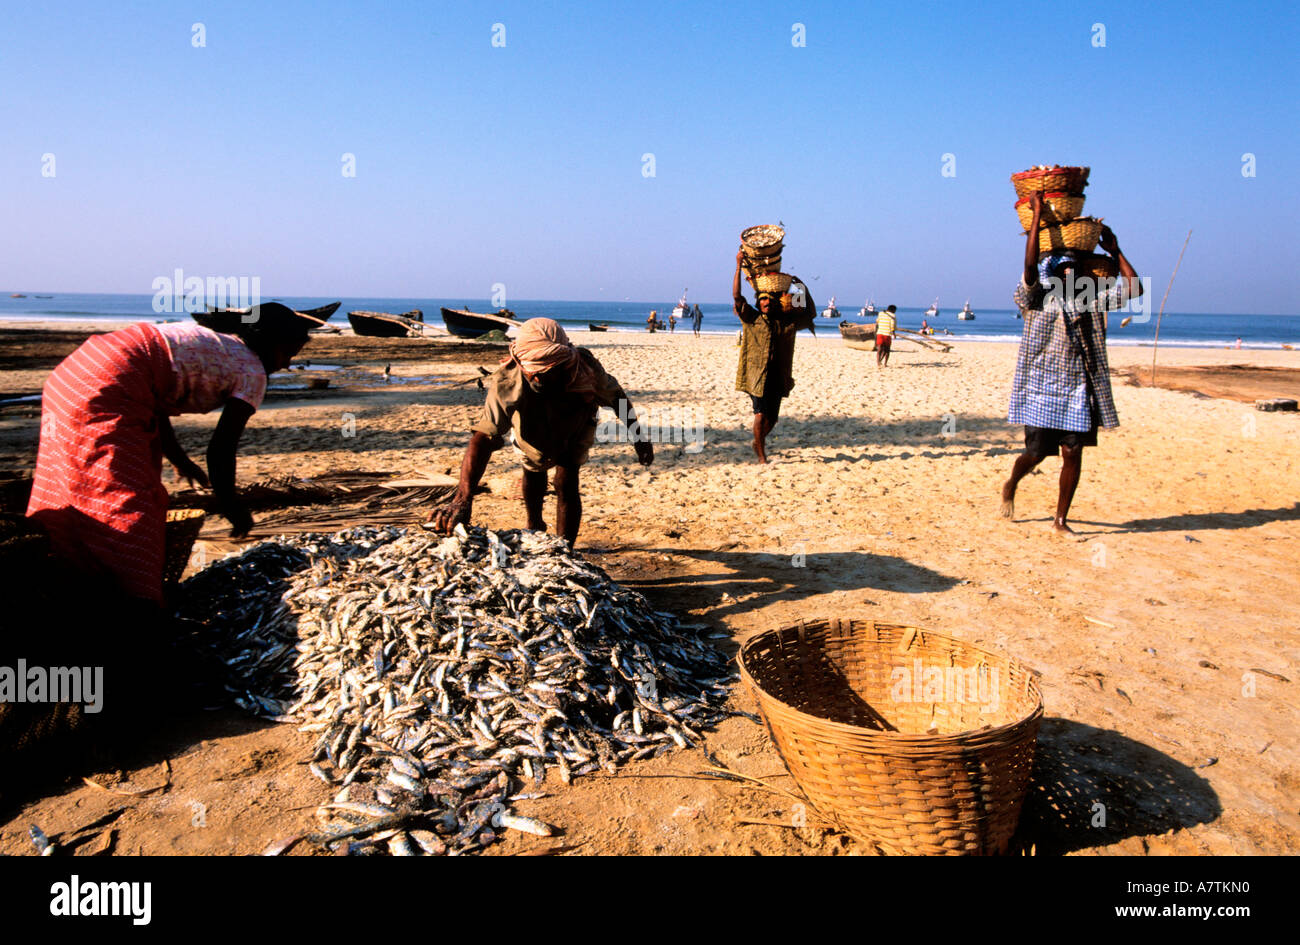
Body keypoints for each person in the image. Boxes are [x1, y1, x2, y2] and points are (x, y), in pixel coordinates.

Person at [26, 302, 317, 603]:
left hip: (76, 370)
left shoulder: (214, 340)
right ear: (269, 344)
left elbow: (152, 391)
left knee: (73, 482)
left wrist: (180, 460)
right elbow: (220, 449)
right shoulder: (253, 372)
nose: (286, 365)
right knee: (125, 501)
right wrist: (233, 508)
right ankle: (135, 601)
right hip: (110, 386)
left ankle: (70, 575)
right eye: (287, 354)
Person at [431, 318, 653, 546]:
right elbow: (484, 437)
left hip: (575, 425)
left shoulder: (586, 370)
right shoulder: (509, 380)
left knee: (566, 481)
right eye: (532, 370)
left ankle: (565, 547)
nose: (536, 377)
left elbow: (619, 401)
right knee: (533, 469)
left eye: (545, 370)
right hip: (531, 427)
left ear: (563, 363)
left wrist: (639, 439)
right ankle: (535, 523)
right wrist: (462, 499)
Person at [1001, 191, 1142, 535]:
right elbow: (1029, 267)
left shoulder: (1091, 302)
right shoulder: (1034, 299)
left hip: (1078, 389)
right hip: (1040, 390)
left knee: (1073, 453)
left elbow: (1135, 289)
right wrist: (1036, 218)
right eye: (1063, 270)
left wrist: (1116, 251)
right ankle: (1012, 483)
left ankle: (1060, 520)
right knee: (1035, 455)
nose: (1068, 275)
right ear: (1053, 274)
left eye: (1073, 270)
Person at [732, 247, 816, 463]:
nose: (766, 303)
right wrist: (738, 266)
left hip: (777, 375)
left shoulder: (785, 323)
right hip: (757, 375)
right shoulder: (752, 318)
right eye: (763, 300)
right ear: (758, 303)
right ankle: (761, 455)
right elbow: (737, 296)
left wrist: (798, 285)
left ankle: (757, 441)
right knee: (760, 415)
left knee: (774, 418)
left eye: (770, 300)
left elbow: (803, 311)